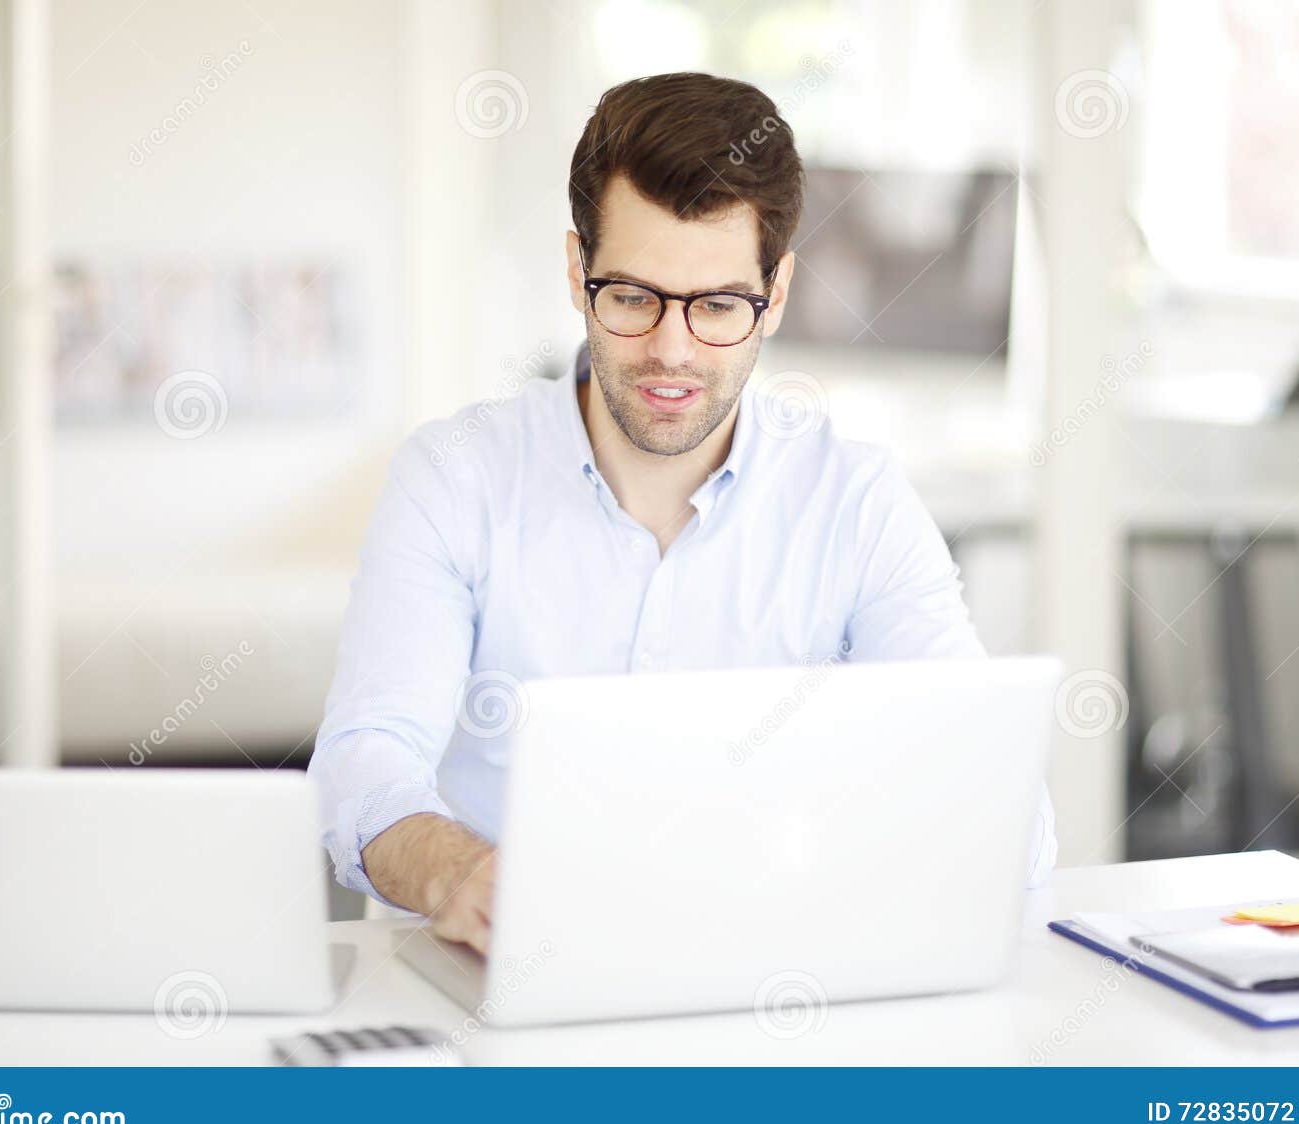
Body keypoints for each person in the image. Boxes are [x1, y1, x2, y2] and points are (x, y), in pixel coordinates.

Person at [307, 72, 1056, 953]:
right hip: (486, 985)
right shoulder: (454, 479)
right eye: (631, 297)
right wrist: (457, 871)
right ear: (577, 272)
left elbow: (1000, 807)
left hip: (760, 988)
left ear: (774, 295)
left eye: (716, 306)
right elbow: (364, 763)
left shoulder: (856, 506)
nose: (670, 349)